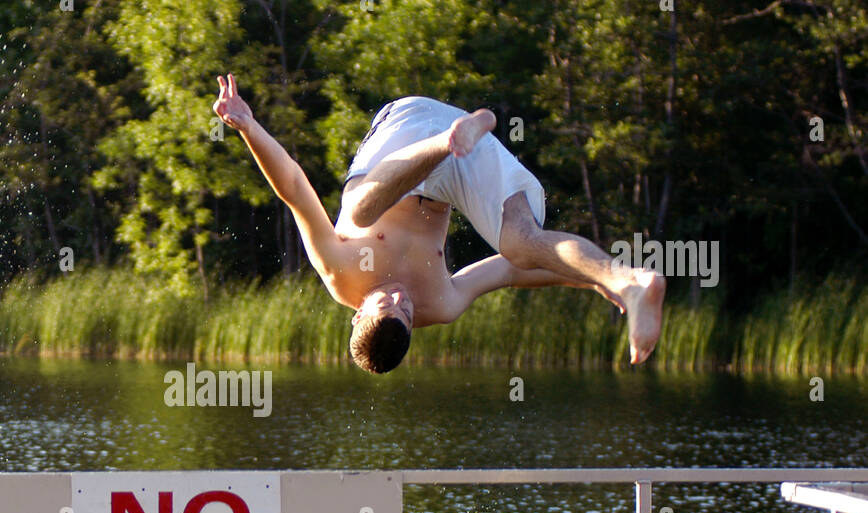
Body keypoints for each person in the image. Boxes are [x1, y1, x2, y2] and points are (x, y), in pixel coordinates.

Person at [211, 74, 664, 372]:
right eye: (407, 312)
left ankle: (443, 142)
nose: (401, 297)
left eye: (387, 303)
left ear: (357, 318)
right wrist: (589, 278)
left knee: (363, 211)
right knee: (520, 245)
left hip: (407, 130)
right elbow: (509, 272)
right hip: (465, 154)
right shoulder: (441, 304)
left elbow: (293, 187)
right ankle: (632, 282)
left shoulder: (338, 269)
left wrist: (249, 127)